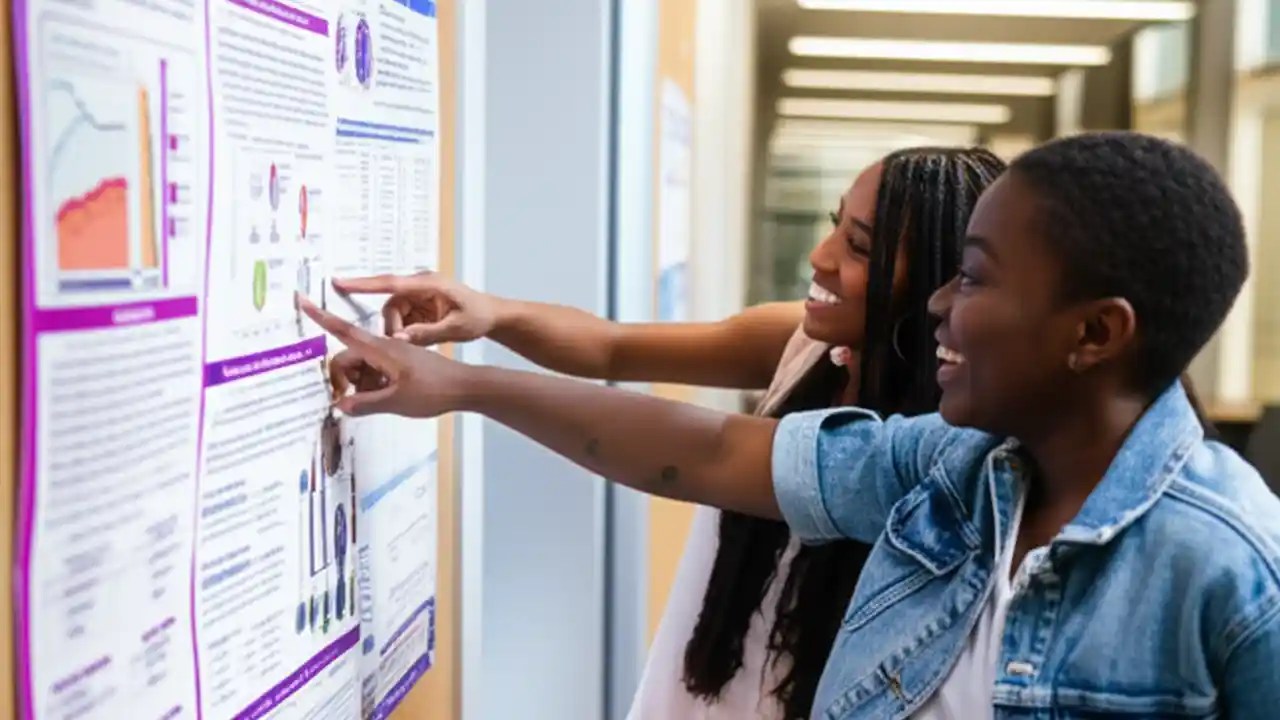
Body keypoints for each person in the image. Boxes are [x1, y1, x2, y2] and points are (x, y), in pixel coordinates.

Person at [301, 131, 1280, 717]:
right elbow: (710, 449)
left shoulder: (1231, 572)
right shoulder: (948, 471)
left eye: (974, 278)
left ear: (1093, 334)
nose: (941, 302)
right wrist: (461, 382)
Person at [332, 147, 1007, 719]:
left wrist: (461, 388)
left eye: (859, 246)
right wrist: (490, 314)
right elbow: (611, 348)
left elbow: (702, 451)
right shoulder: (801, 345)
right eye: (835, 227)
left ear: (937, 284)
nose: (820, 256)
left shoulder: (935, 453)